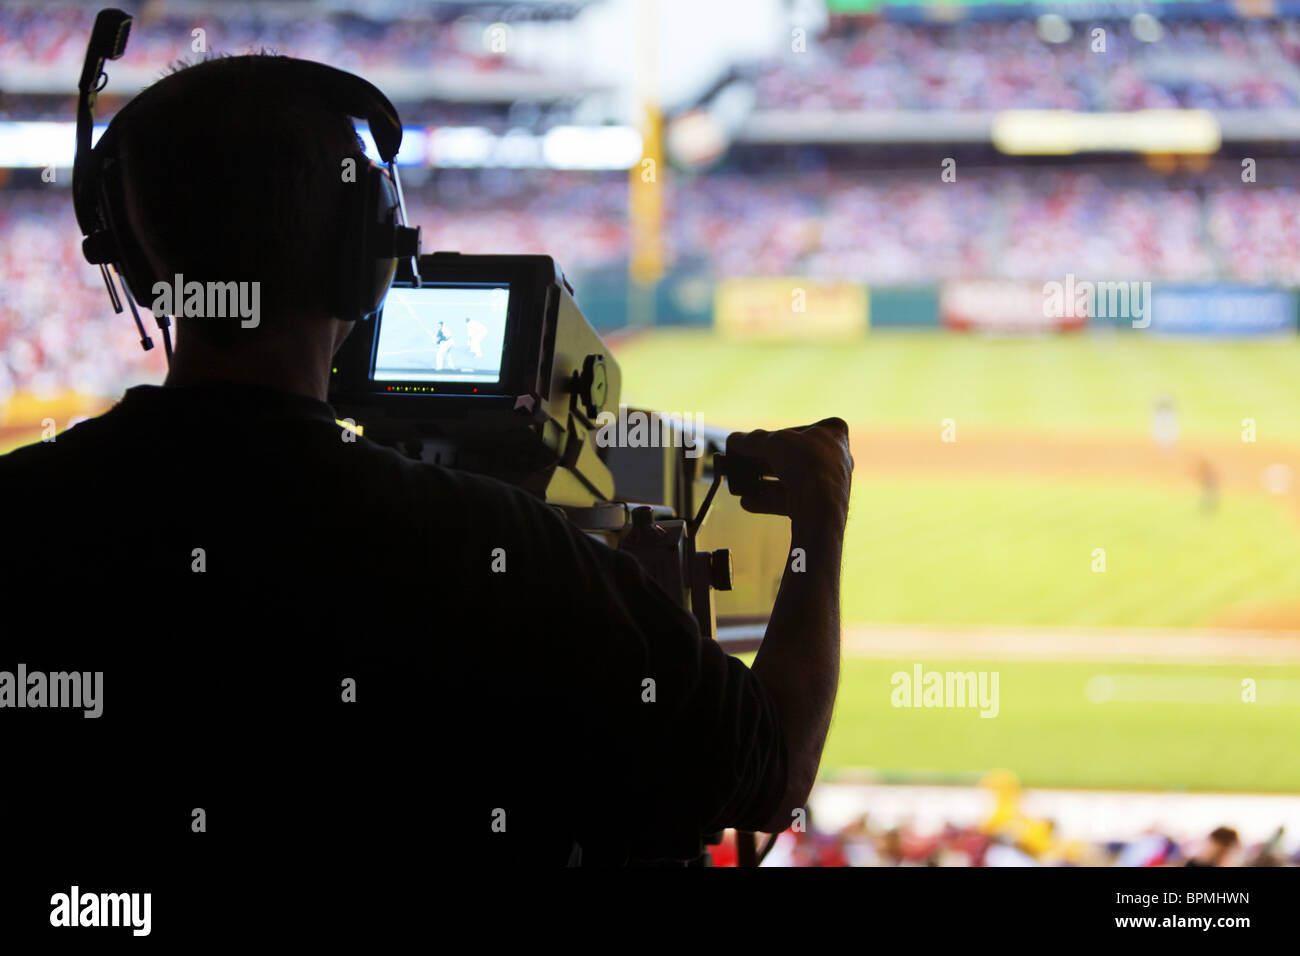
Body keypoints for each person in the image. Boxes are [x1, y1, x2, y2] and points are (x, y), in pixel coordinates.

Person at [0, 53, 852, 882]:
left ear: (133, 264)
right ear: (368, 260)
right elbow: (769, 772)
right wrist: (819, 516)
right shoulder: (501, 551)